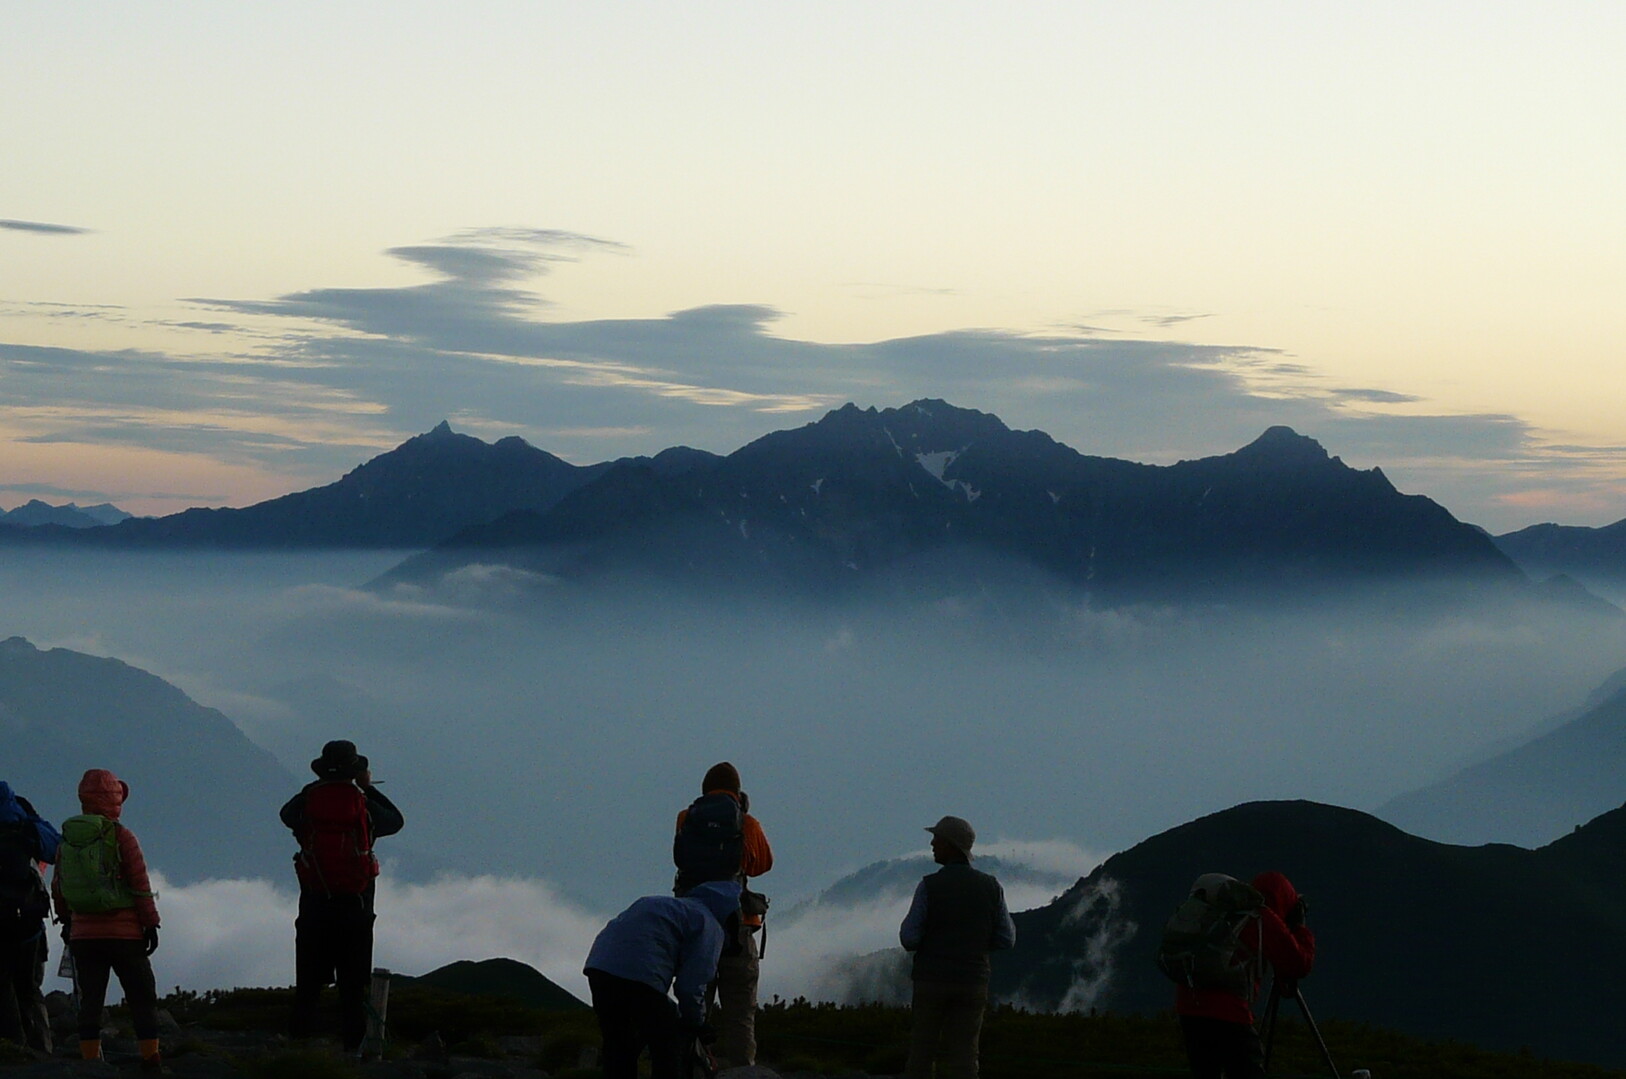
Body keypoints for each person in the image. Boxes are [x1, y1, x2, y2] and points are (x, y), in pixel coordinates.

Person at [279, 739, 404, 1054]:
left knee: (308, 981)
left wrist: (316, 788)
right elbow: (395, 821)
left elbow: (286, 814)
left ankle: (298, 1046)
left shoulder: (309, 800)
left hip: (315, 899)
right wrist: (367, 787)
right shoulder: (363, 804)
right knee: (353, 982)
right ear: (355, 770)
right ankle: (354, 1048)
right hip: (356, 903)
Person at [51, 769, 163, 1069]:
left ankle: (90, 1062)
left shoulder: (68, 838)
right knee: (141, 996)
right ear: (116, 799)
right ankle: (151, 1059)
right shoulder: (121, 835)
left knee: (90, 1001)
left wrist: (66, 921)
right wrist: (151, 923)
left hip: (83, 936)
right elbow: (140, 884)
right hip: (125, 935)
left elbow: (58, 886)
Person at [583, 880, 742, 1079]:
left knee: (618, 1043)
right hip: (640, 975)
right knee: (668, 1042)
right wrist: (697, 1023)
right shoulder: (709, 924)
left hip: (600, 967)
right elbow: (691, 984)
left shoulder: (663, 904)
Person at [672, 761, 773, 1069]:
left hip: (692, 926)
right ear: (738, 792)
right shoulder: (747, 822)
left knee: (694, 1007)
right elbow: (762, 865)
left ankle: (690, 1068)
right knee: (740, 1012)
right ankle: (742, 1070)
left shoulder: (686, 818)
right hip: (736, 927)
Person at [899, 814, 1016, 1079]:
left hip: (931, 979)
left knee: (921, 1053)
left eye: (936, 839)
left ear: (949, 845)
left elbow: (909, 938)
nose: (932, 844)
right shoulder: (992, 887)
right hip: (973, 981)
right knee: (965, 1057)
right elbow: (1006, 939)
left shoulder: (929, 886)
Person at [1174, 871, 1315, 1079]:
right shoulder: (1262, 918)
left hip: (1188, 1007)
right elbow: (1299, 963)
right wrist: (1299, 926)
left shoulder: (1227, 911)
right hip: (1228, 1012)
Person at [0, 781, 60, 1053]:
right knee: (29, 989)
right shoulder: (22, 818)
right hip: (28, 921)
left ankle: (11, 1050)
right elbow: (54, 848)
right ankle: (41, 1052)